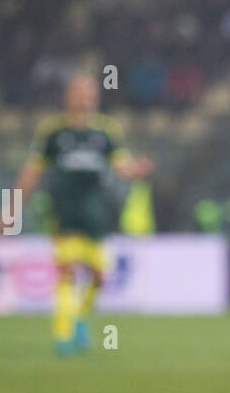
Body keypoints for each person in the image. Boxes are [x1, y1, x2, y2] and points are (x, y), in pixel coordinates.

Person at [11, 74, 152, 354]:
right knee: (68, 272)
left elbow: (121, 166)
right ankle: (63, 337)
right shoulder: (52, 132)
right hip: (62, 210)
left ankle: (78, 318)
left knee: (99, 277)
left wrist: (134, 170)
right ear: (69, 97)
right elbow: (32, 172)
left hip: (94, 211)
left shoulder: (106, 131)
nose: (86, 99)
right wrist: (13, 207)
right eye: (80, 93)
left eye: (90, 94)